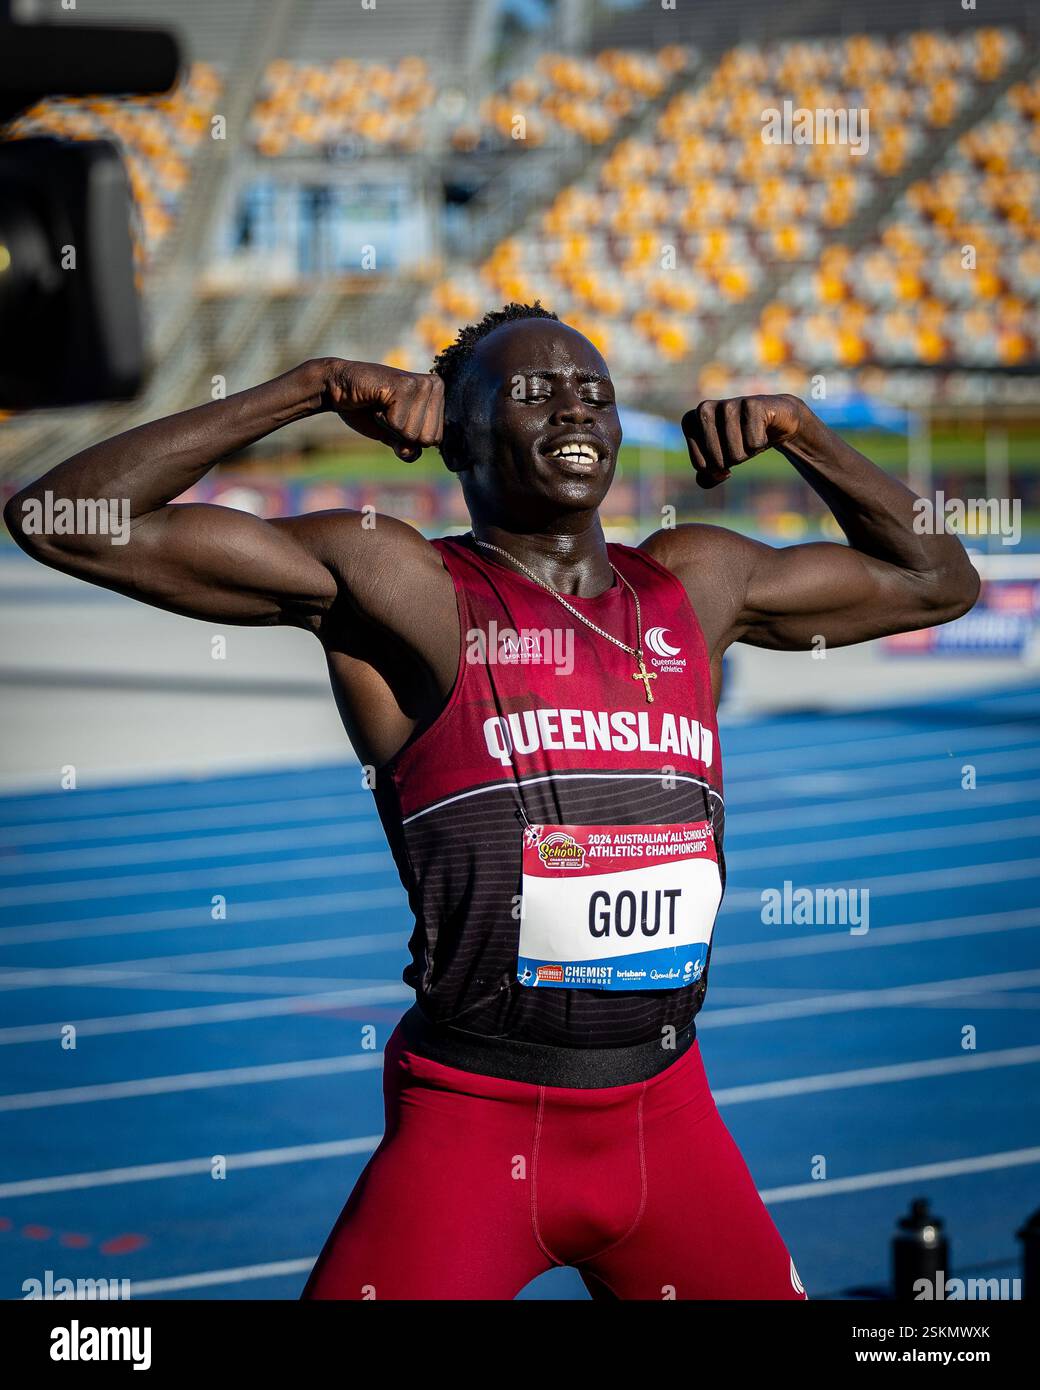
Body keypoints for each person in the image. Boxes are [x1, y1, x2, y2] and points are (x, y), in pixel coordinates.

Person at [4, 302, 979, 1300]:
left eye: (593, 393)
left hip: (668, 1117)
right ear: (452, 431)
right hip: (472, 1124)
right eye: (530, 392)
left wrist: (802, 435)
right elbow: (62, 519)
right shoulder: (404, 583)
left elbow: (937, 580)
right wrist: (308, 388)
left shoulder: (697, 581)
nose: (572, 409)